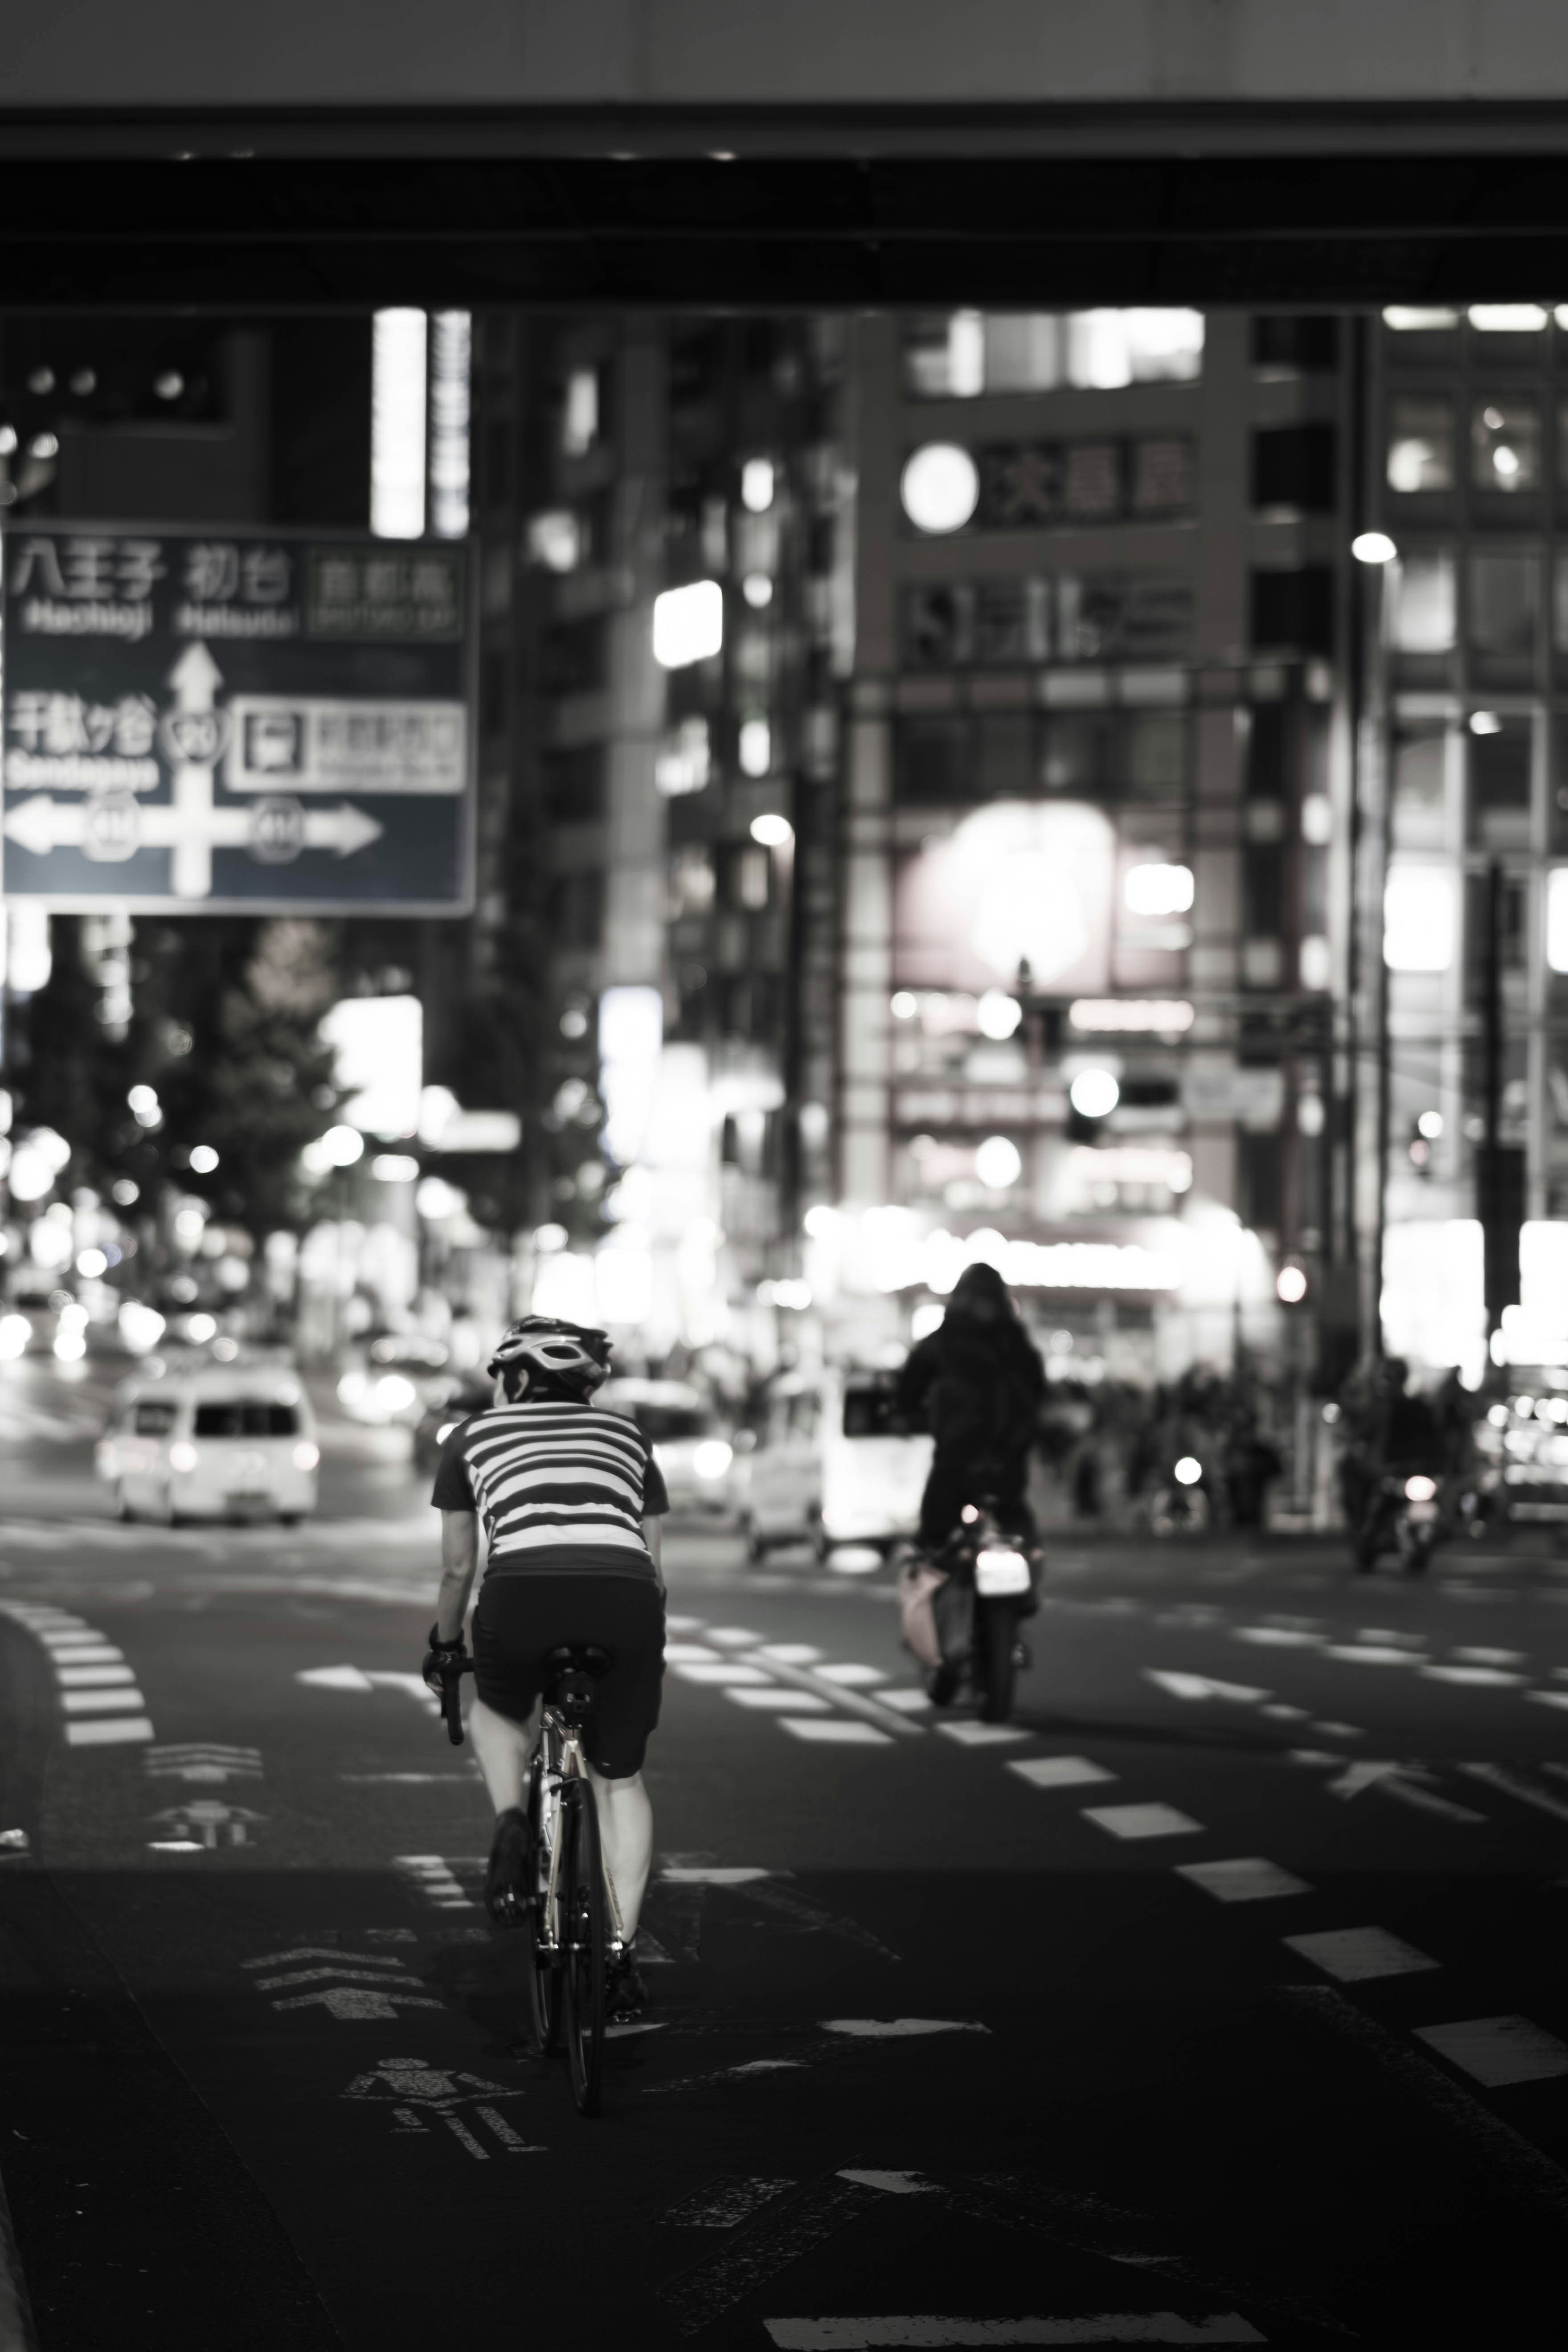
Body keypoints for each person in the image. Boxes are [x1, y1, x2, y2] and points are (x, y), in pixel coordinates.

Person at [421, 1314, 668, 2020]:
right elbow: (655, 1568)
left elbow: (457, 1566)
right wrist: (642, 1651)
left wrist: (444, 1646)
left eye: (500, 1378)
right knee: (619, 1781)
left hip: (519, 1595)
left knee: (497, 1710)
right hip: (624, 1598)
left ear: (518, 1377)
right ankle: (618, 1955)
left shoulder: (469, 1436)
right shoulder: (629, 1437)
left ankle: (509, 1823)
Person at [895, 1261, 1047, 1549]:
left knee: (933, 1546)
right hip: (1006, 1466)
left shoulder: (942, 1343)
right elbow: (1038, 1394)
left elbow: (908, 1392)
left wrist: (907, 1415)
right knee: (1022, 1541)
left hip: (958, 1463)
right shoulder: (1016, 1344)